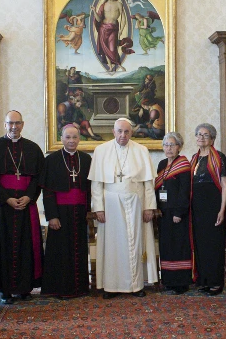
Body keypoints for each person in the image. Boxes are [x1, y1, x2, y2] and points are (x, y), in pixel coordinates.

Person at [88, 118, 158, 298]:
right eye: (119, 131)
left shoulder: (141, 150)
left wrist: (149, 207)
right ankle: (111, 286)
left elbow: (148, 183)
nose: (123, 135)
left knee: (135, 243)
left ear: (131, 132)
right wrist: (98, 208)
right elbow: (96, 183)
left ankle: (136, 286)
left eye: (126, 132)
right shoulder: (101, 151)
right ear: (113, 131)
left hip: (136, 202)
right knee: (112, 245)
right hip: (110, 204)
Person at [0, 111, 45, 304]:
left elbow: (38, 177)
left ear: (23, 124)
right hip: (3, 207)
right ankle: (5, 290)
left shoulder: (33, 148)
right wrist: (6, 198)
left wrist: (29, 196)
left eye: (17, 123)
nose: (14, 127)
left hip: (26, 206)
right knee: (3, 246)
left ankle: (24, 288)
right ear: (4, 125)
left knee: (26, 245)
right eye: (10, 123)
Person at [40, 125, 92, 298]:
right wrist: (52, 216)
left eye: (75, 137)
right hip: (60, 213)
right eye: (68, 137)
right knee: (61, 250)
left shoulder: (86, 159)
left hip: (80, 212)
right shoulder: (52, 160)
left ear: (79, 139)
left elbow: (91, 189)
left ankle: (81, 288)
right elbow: (47, 191)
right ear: (61, 138)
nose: (71, 141)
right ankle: (60, 289)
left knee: (79, 249)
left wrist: (89, 211)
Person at [191, 123, 226, 296]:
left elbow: (225, 185)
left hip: (214, 207)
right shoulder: (194, 159)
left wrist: (222, 210)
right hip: (197, 209)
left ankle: (215, 281)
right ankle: (204, 280)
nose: (201, 137)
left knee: (214, 245)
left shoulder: (219, 157)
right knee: (201, 245)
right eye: (199, 134)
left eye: (205, 135)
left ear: (212, 138)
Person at [154, 132, 193, 294]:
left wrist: (179, 212)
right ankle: (169, 280)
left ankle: (181, 282)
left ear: (179, 147)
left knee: (179, 246)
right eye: (166, 145)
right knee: (166, 246)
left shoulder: (183, 164)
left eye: (172, 145)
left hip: (177, 214)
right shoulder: (162, 163)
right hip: (163, 213)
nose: (169, 148)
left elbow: (185, 191)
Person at [91, 0, 128, 72]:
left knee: (112, 48)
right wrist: (94, 11)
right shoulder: (103, 5)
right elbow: (99, 20)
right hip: (103, 28)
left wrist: (121, 31)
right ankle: (111, 67)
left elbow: (123, 19)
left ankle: (119, 64)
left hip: (113, 28)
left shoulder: (118, 3)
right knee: (105, 48)